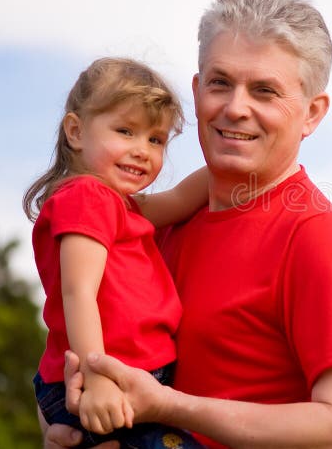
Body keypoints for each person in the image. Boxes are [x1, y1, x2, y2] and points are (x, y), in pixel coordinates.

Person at [45, 0, 332, 449]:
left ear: (312, 114)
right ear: (197, 90)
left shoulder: (318, 239)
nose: (235, 108)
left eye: (265, 91)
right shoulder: (154, 226)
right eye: (221, 83)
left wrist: (166, 406)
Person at [24, 57, 208, 447]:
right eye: (126, 131)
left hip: (124, 376)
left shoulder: (116, 204)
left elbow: (178, 199)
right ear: (76, 131)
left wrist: (236, 166)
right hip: (104, 378)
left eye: (155, 140)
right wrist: (97, 378)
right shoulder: (87, 197)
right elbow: (79, 293)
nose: (142, 150)